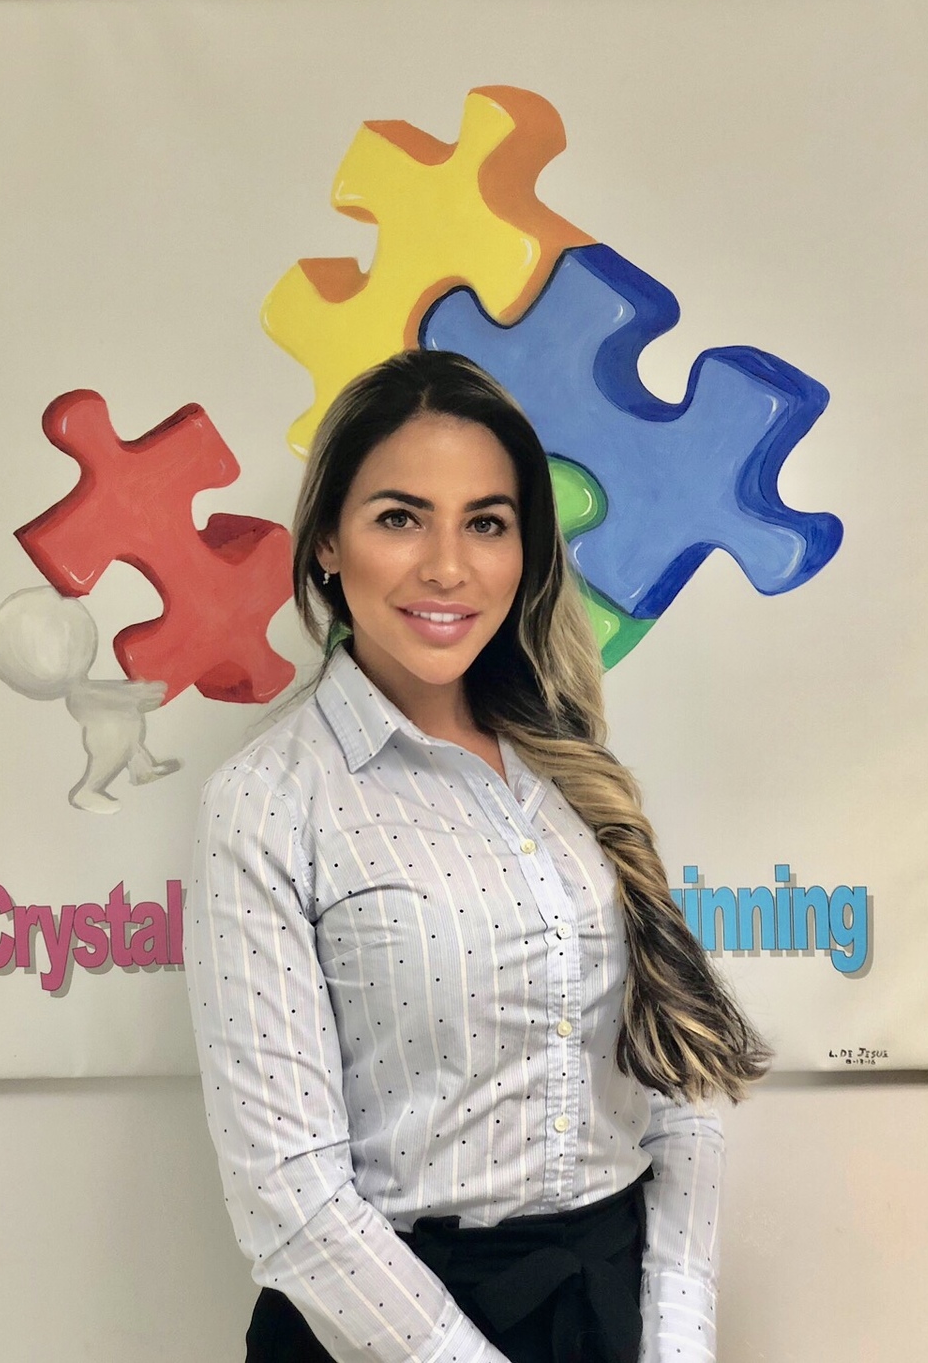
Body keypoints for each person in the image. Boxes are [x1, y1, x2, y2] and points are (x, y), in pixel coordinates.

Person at [186, 349, 768, 1363]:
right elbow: (289, 1197)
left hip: (603, 1310)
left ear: (525, 551)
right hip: (382, 1332)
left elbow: (677, 1084)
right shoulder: (268, 803)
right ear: (327, 542)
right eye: (400, 518)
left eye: (487, 523)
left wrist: (676, 1335)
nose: (448, 567)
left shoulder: (576, 774)